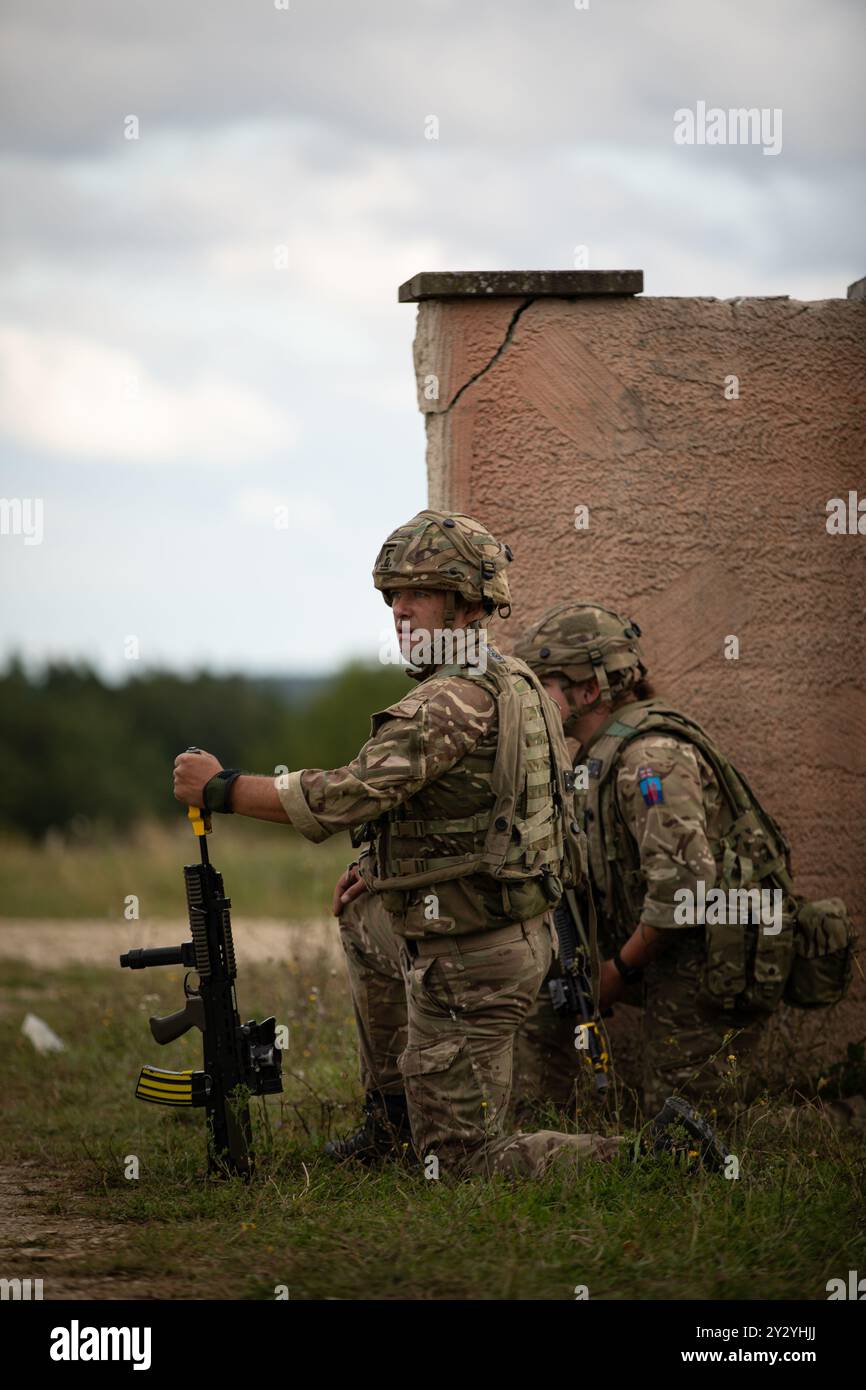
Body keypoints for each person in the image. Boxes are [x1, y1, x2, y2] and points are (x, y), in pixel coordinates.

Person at [173, 513, 709, 1177]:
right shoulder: (512, 680)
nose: (399, 609)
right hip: (496, 926)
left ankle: (657, 1156)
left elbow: (346, 794)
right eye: (392, 596)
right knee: (367, 918)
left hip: (474, 955)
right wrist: (383, 870)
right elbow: (477, 813)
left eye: (418, 594)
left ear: (469, 605)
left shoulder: (453, 700)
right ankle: (390, 1123)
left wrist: (220, 788)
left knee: (458, 1162)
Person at [512, 601, 798, 1115]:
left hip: (708, 956)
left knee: (688, 1128)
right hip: (663, 947)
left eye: (543, 686)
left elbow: (685, 892)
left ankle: (837, 1119)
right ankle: (533, 1127)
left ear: (589, 690)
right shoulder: (598, 751)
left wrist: (617, 971)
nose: (532, 701)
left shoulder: (650, 759)